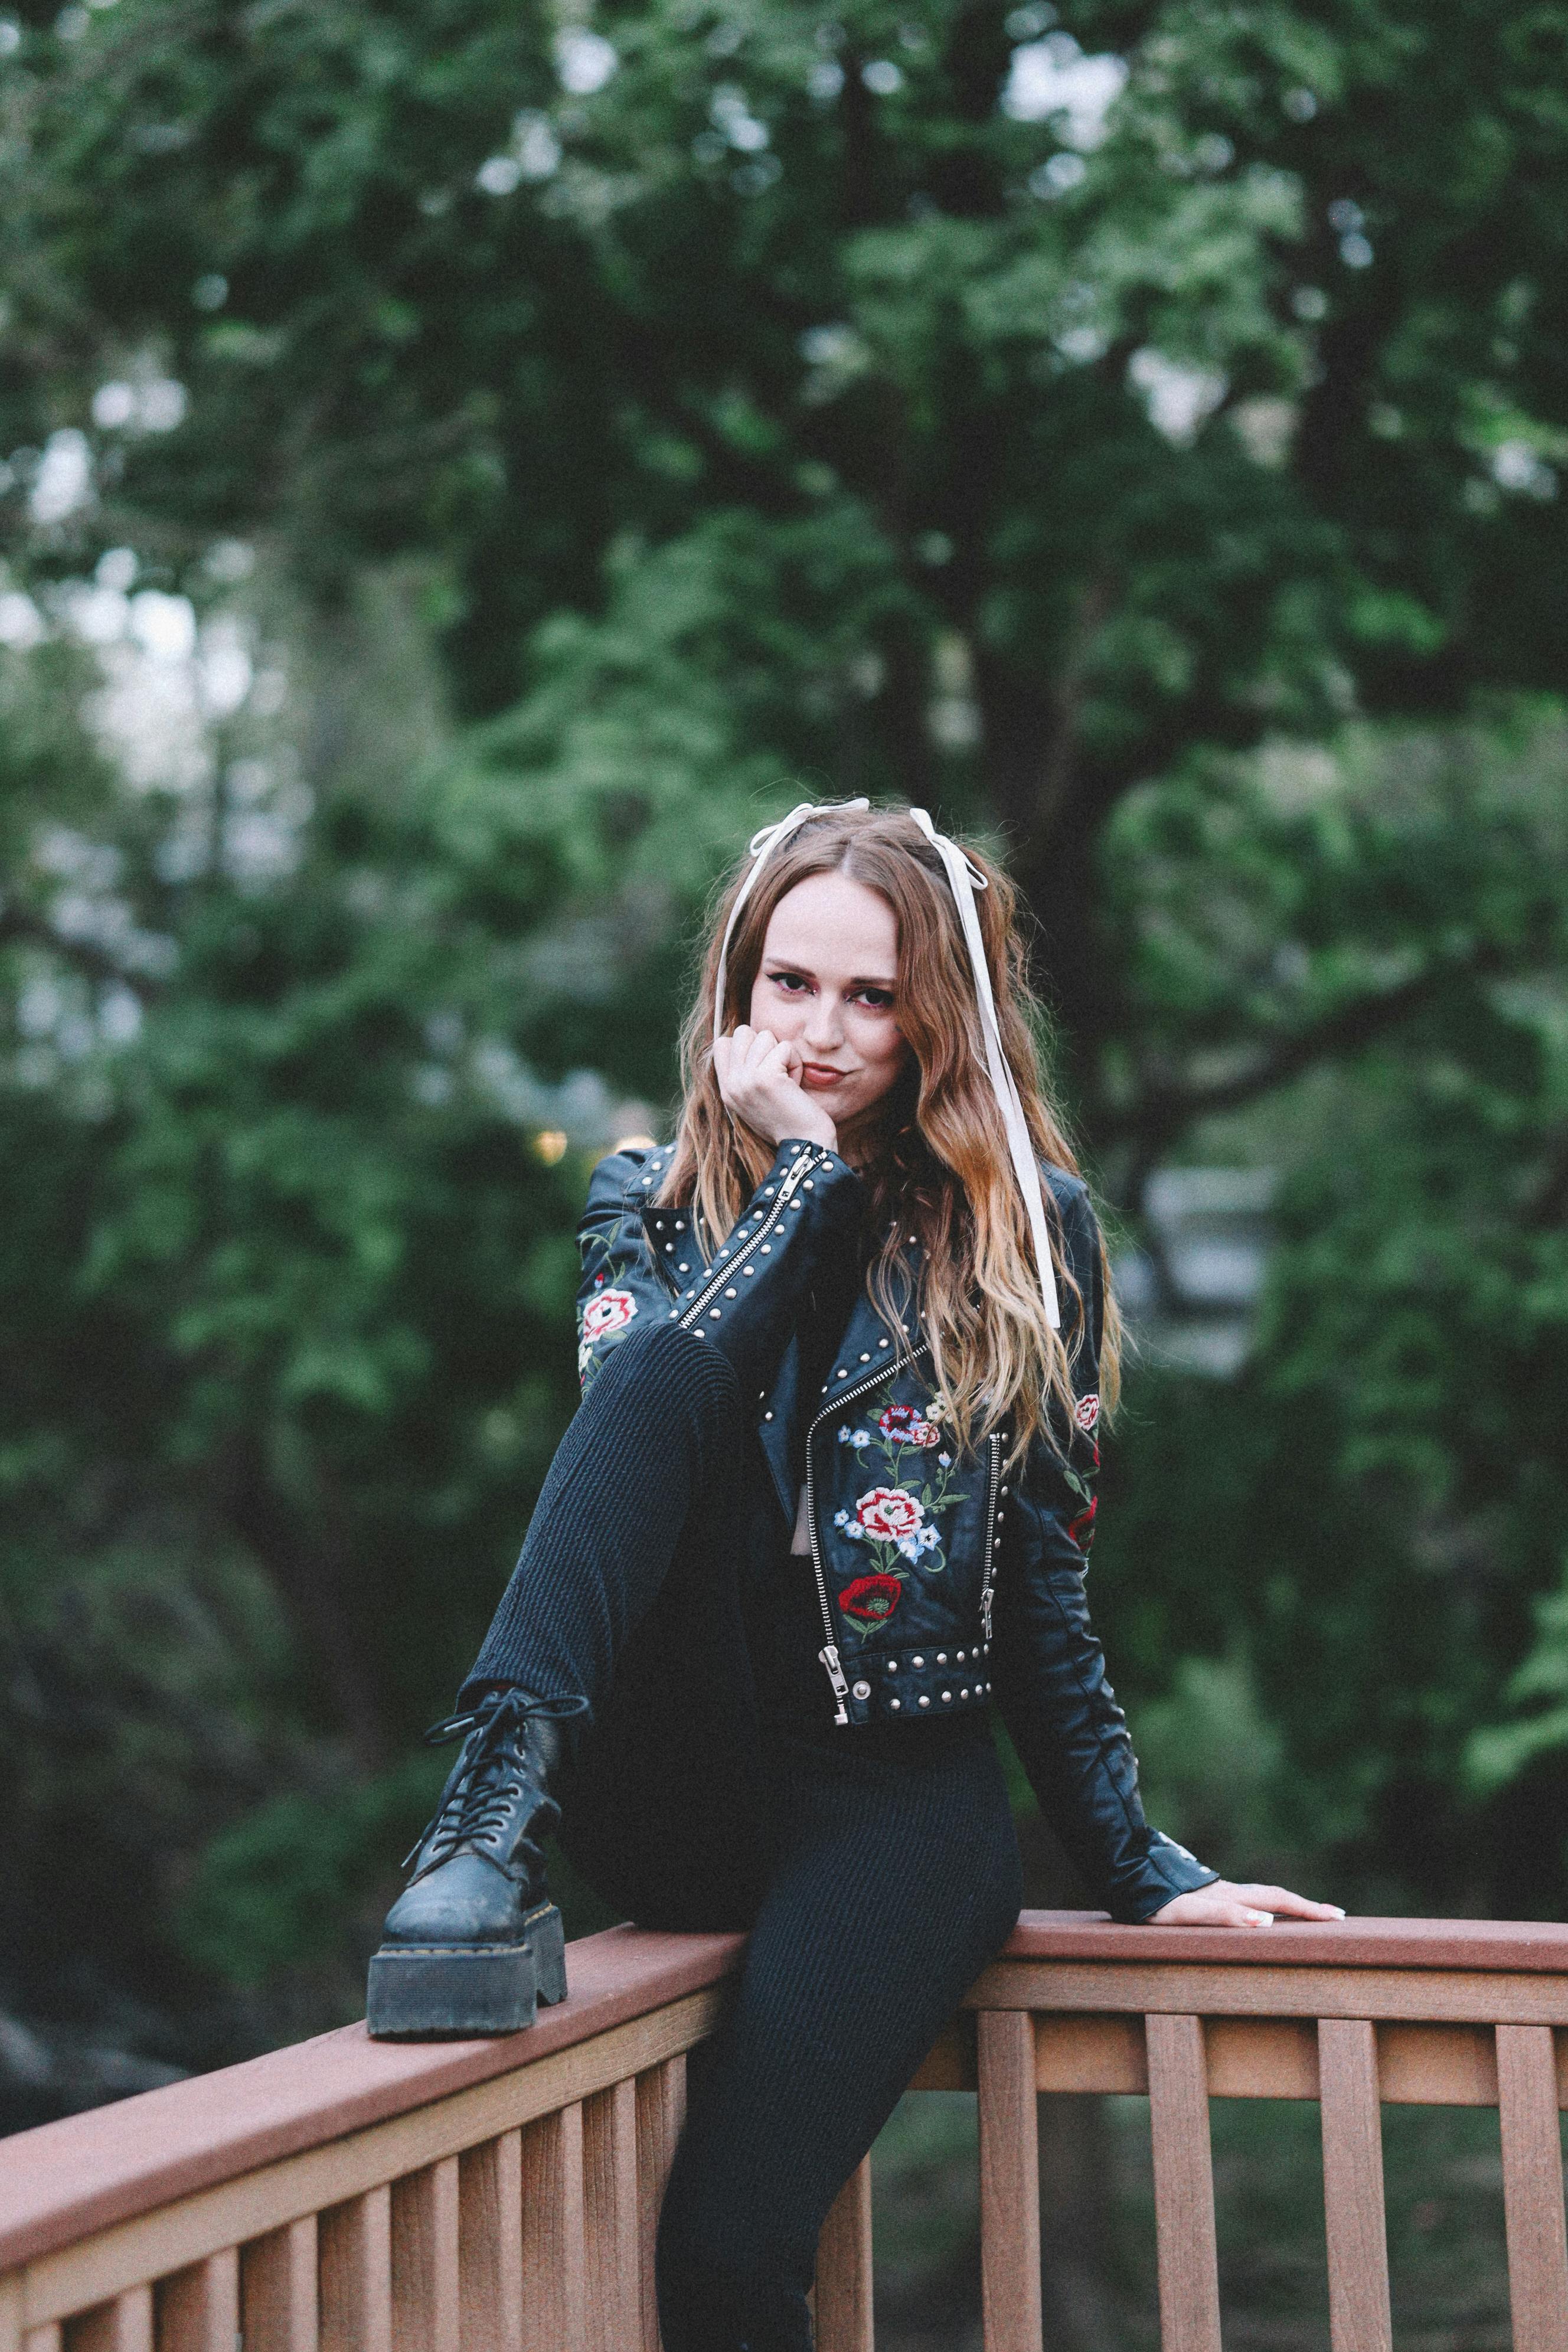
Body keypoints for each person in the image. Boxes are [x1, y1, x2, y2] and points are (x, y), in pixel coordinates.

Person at [366, 799, 1341, 2352]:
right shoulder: (645, 1199)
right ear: (735, 996)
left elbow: (1044, 1588)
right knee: (646, 1400)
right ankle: (492, 1807)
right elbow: (644, 1433)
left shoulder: (1033, 1233)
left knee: (726, 2259)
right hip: (683, 1770)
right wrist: (798, 1192)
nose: (820, 1032)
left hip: (896, 1797)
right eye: (788, 985)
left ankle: (493, 1807)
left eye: (871, 995)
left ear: (934, 1017)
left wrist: (1147, 1865)